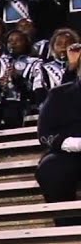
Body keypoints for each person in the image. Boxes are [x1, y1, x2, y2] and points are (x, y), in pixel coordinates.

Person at [35, 42, 81, 224]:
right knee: (50, 168)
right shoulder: (59, 94)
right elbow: (44, 133)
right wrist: (74, 143)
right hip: (68, 153)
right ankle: (68, 223)